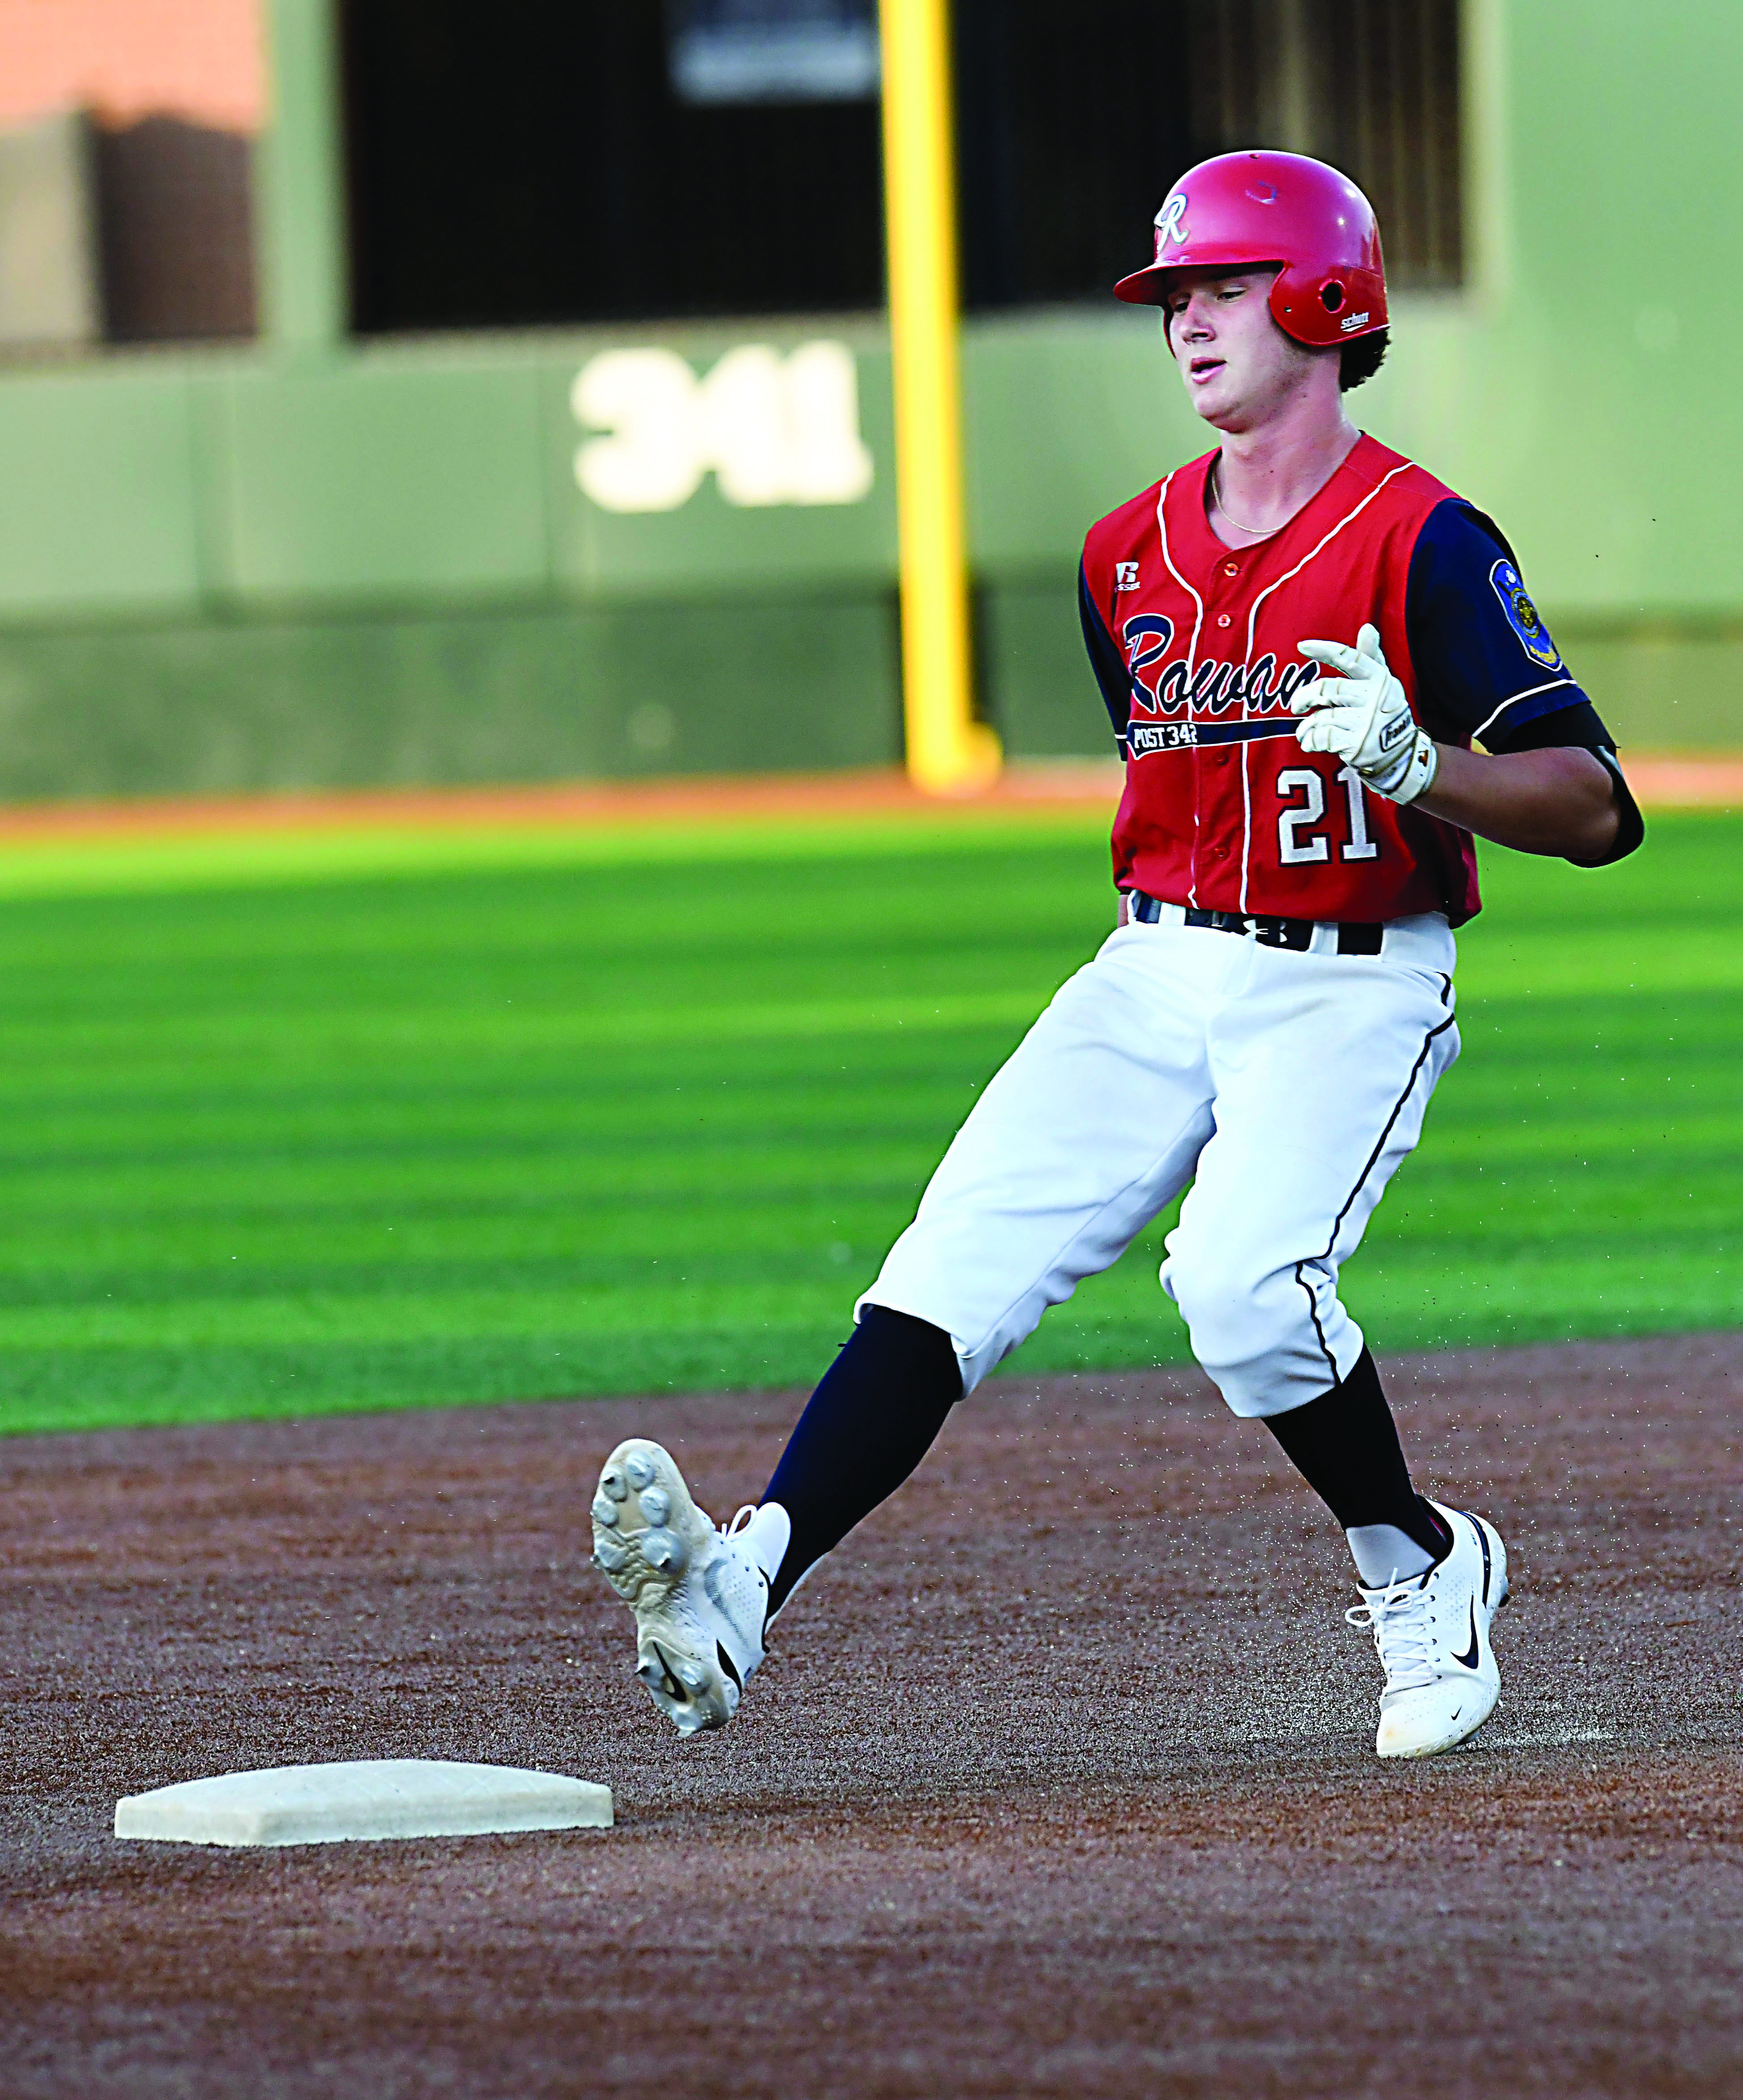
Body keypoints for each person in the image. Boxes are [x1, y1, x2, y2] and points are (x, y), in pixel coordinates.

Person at [588, 151, 1642, 1761]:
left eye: (1223, 287)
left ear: (1324, 302)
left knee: (1237, 1288)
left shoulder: (1422, 540)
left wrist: (1429, 768)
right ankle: (748, 1585)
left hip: (1349, 979)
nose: (1190, 324)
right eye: (1177, 297)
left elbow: (1599, 807)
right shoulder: (1120, 557)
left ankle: (1420, 1563)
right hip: (1152, 963)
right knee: (944, 1276)